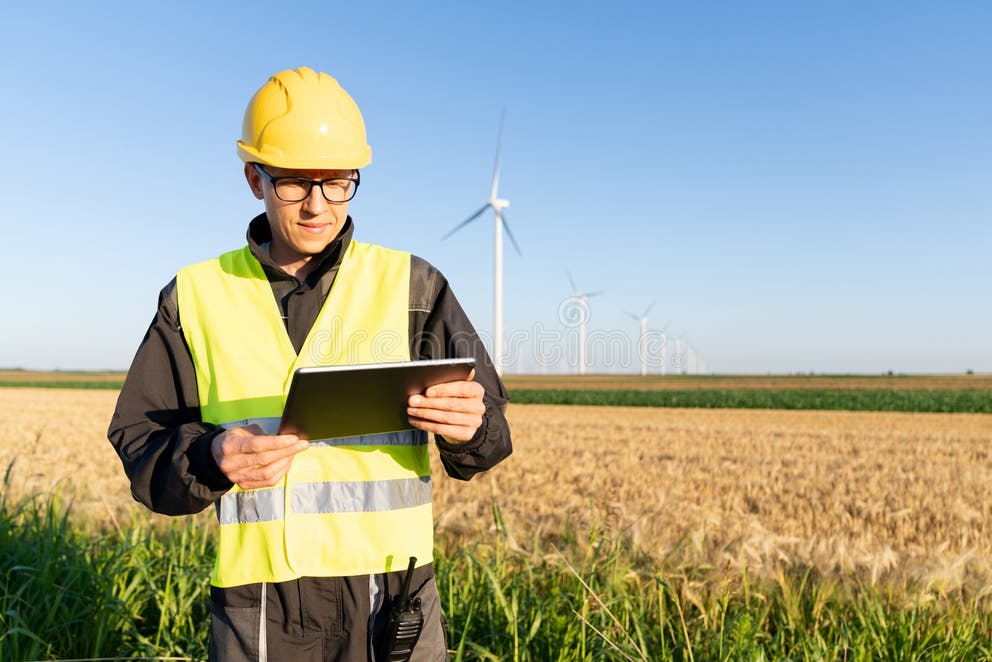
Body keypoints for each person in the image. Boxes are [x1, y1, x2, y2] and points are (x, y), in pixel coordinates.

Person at [108, 66, 512, 661]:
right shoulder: (194, 296)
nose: (319, 205)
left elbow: (491, 430)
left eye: (339, 182)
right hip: (260, 608)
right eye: (296, 183)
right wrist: (210, 455)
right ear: (255, 179)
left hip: (394, 601)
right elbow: (140, 443)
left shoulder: (414, 285)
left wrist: (471, 427)